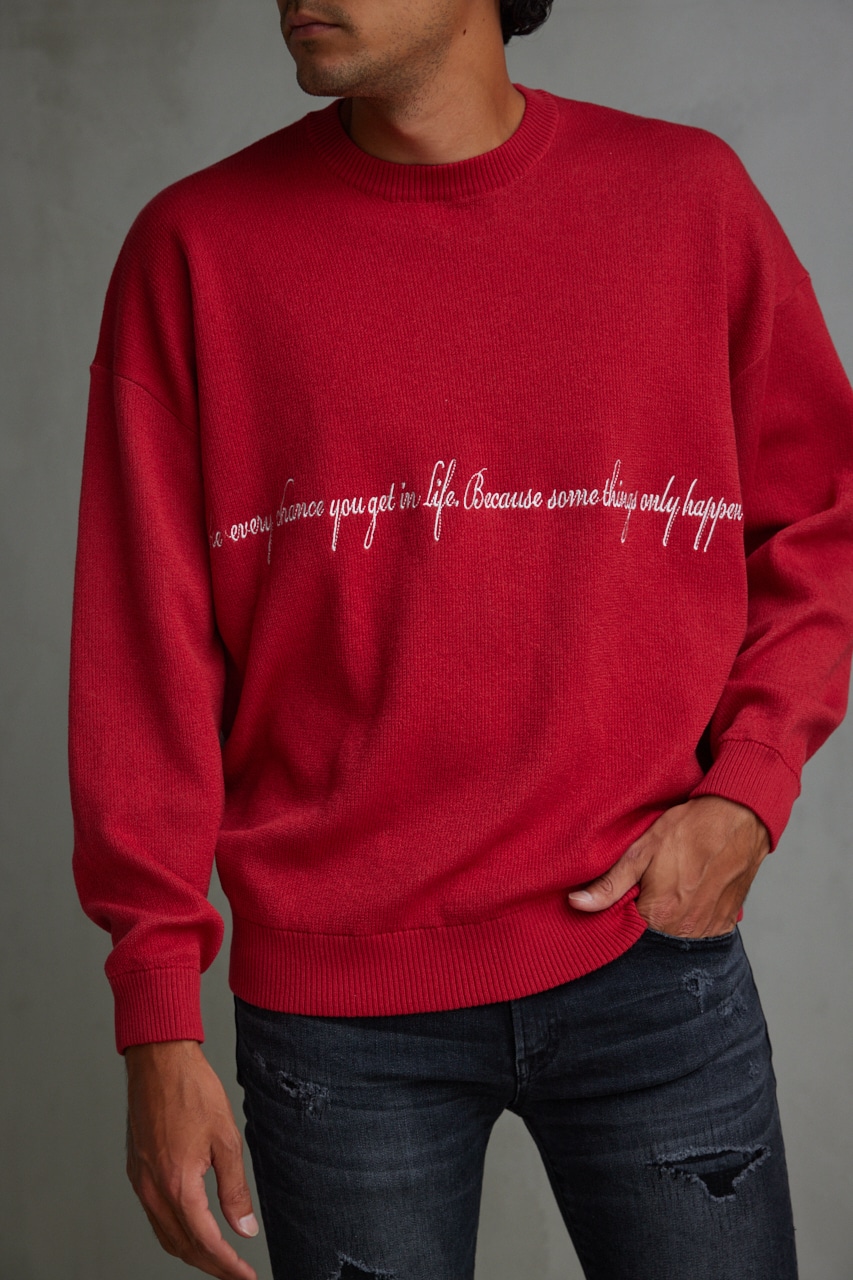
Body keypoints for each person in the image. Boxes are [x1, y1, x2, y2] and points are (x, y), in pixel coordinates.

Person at [69, 1, 853, 1277]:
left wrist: (750, 789)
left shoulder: (686, 202)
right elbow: (139, 662)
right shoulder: (195, 250)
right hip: (339, 1010)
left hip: (647, 959)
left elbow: (823, 515)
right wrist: (155, 1014)